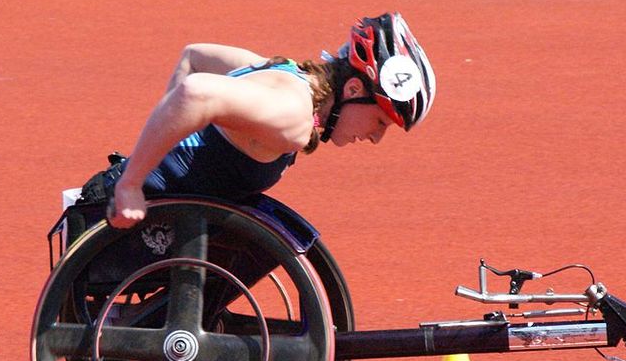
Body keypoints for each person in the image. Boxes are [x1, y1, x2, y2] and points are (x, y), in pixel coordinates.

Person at [104, 11, 435, 229]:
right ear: (352, 89)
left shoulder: (288, 73)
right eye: (380, 122)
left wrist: (169, 146)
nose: (376, 139)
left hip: (164, 221)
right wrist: (132, 184)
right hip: (126, 216)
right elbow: (194, 93)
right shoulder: (293, 117)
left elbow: (194, 57)